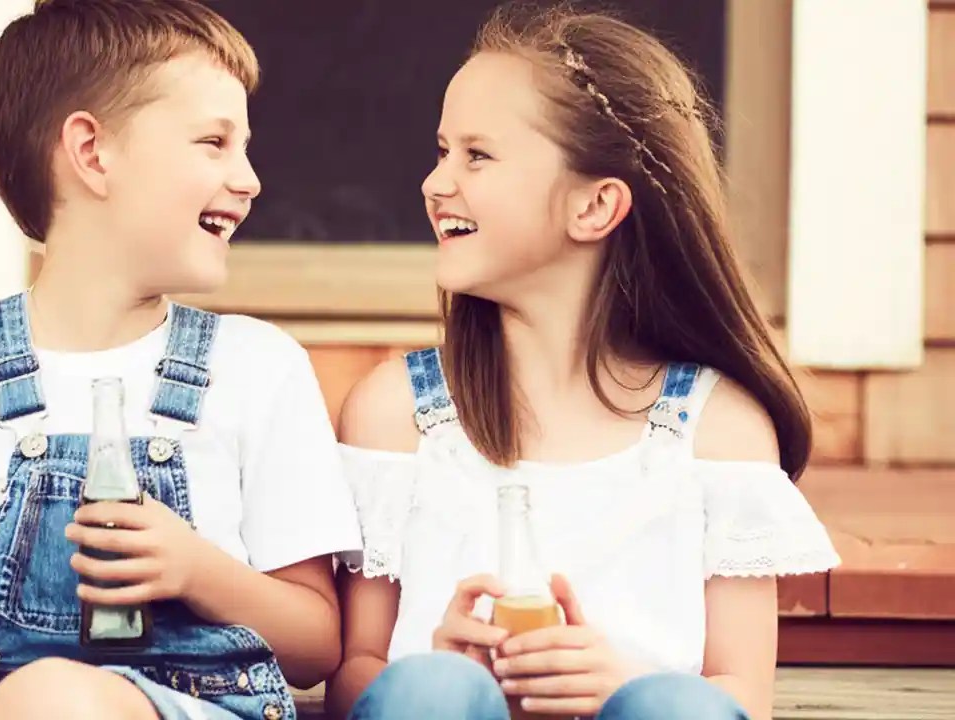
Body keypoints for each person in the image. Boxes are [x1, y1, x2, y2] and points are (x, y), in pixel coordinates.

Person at [0, 2, 362, 718]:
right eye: (214, 142)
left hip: (196, 706)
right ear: (91, 152)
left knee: (55, 699)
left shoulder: (259, 367)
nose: (250, 179)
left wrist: (194, 569)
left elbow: (315, 641)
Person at [326, 4, 840, 719]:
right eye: (443, 150)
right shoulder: (396, 415)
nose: (435, 183)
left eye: (477, 155)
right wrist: (440, 664)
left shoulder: (717, 431)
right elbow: (356, 673)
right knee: (430, 689)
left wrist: (618, 685)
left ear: (595, 207)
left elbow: (742, 695)